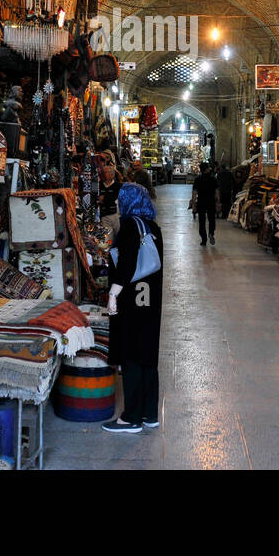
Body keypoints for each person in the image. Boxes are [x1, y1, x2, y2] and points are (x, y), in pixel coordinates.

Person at [103, 182, 164, 434]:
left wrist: (113, 294)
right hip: (150, 300)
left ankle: (131, 418)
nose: (117, 203)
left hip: (132, 300)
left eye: (120, 199)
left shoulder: (129, 226)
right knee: (148, 355)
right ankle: (150, 414)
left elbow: (127, 264)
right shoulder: (154, 227)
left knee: (131, 355)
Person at [193, 161, 218, 246]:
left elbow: (194, 192)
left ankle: (204, 239)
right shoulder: (213, 179)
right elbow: (217, 191)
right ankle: (211, 233)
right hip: (211, 201)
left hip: (201, 202)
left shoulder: (197, 179)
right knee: (211, 219)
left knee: (202, 221)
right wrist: (218, 201)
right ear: (207, 169)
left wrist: (193, 203)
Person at [98, 152, 122, 235]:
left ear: (112, 175)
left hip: (115, 215)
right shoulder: (100, 185)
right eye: (103, 172)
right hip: (104, 215)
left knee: (118, 235)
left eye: (106, 172)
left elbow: (115, 198)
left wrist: (104, 198)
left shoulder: (118, 186)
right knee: (108, 237)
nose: (103, 174)